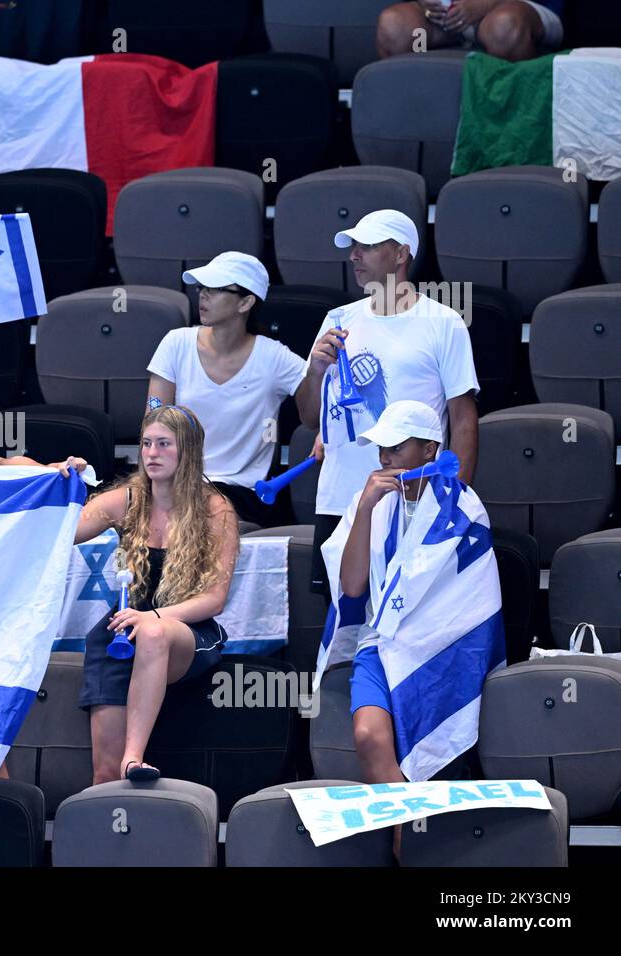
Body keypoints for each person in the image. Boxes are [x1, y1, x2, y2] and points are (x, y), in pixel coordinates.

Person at [328, 401, 504, 849]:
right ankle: (408, 845)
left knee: (412, 762)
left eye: (397, 446)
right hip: (379, 645)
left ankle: (403, 851)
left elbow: (465, 603)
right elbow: (352, 588)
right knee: (368, 735)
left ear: (429, 450)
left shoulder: (465, 507)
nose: (385, 456)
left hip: (440, 646)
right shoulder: (369, 501)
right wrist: (366, 508)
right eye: (381, 446)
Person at [294, 209, 479, 598]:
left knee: (407, 620)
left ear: (401, 254)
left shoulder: (443, 322)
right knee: (341, 627)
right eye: (354, 247)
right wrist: (314, 371)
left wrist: (453, 499)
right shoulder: (337, 319)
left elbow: (463, 420)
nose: (354, 255)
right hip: (339, 497)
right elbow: (309, 417)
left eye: (368, 246)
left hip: (410, 499)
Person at [73, 404, 239, 784]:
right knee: (103, 771)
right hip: (123, 630)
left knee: (151, 632)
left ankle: (134, 757)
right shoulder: (130, 499)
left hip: (187, 629)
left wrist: (155, 617)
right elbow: (65, 529)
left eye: (164, 444)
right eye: (146, 443)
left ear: (188, 451)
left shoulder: (215, 510)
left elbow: (214, 599)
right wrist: (62, 480)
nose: (151, 453)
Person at [147, 252, 306, 527]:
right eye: (202, 288)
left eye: (215, 289)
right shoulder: (175, 343)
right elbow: (154, 421)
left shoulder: (274, 357)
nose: (203, 295)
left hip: (242, 494)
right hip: (177, 484)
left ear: (246, 302)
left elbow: (319, 401)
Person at [376, 0, 564, 61]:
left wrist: (488, 4)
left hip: (521, 10)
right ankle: (416, 109)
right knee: (396, 27)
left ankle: (515, 125)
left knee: (502, 27)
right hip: (447, 21)